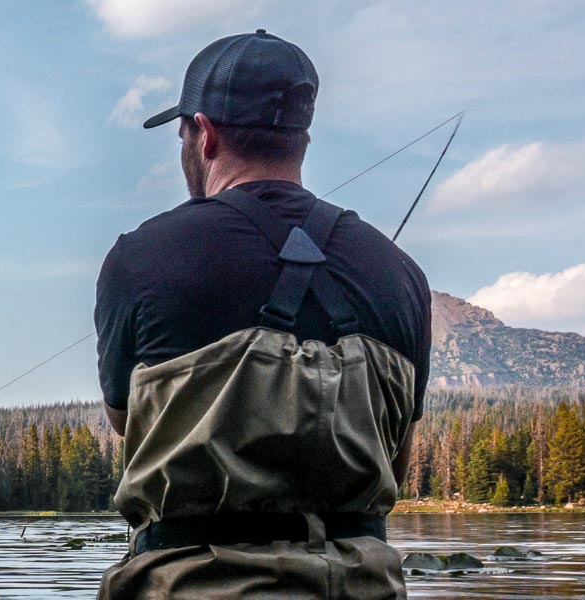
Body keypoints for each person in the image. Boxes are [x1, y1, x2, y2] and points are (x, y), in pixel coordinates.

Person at [94, 30, 432, 599]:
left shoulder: (141, 257)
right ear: (300, 136)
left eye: (181, 133)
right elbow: (395, 462)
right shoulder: (401, 274)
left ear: (203, 134)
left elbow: (127, 422)